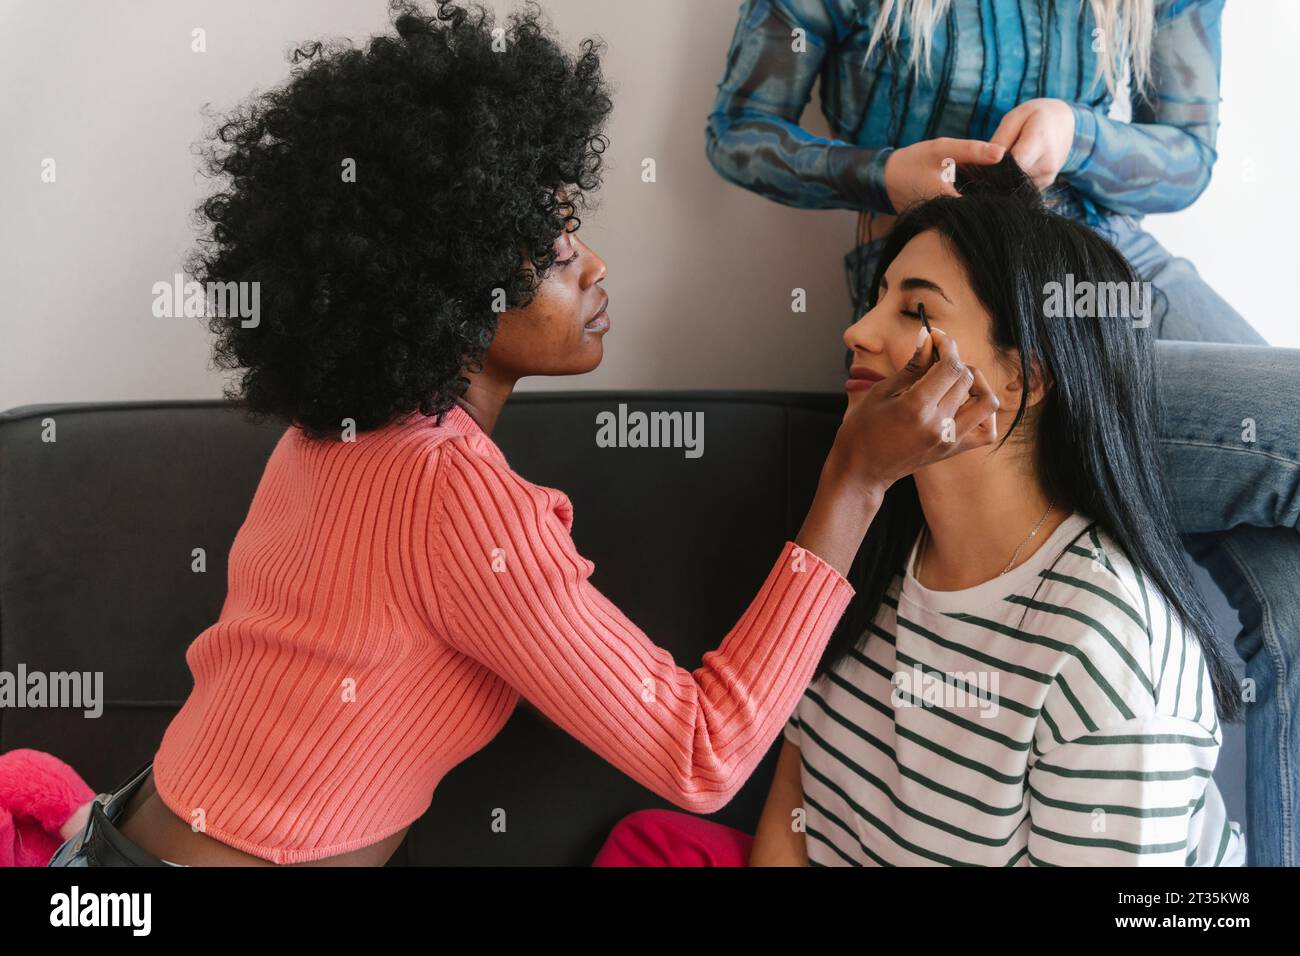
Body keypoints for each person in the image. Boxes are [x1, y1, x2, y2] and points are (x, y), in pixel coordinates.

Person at [48, 0, 1000, 868]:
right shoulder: (450, 494)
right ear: (449, 288)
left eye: (572, 230)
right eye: (551, 251)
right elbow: (702, 755)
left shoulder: (325, 437)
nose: (592, 267)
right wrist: (855, 482)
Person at [704, 0, 1299, 867]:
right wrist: (882, 173)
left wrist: (1077, 134)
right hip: (975, 293)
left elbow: (1191, 156)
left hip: (1118, 279)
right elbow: (738, 132)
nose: (855, 338)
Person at [595, 158, 1245, 866]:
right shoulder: (867, 539)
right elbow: (795, 804)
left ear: (1024, 376)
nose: (858, 332)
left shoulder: (1109, 649)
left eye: (915, 310)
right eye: (875, 299)